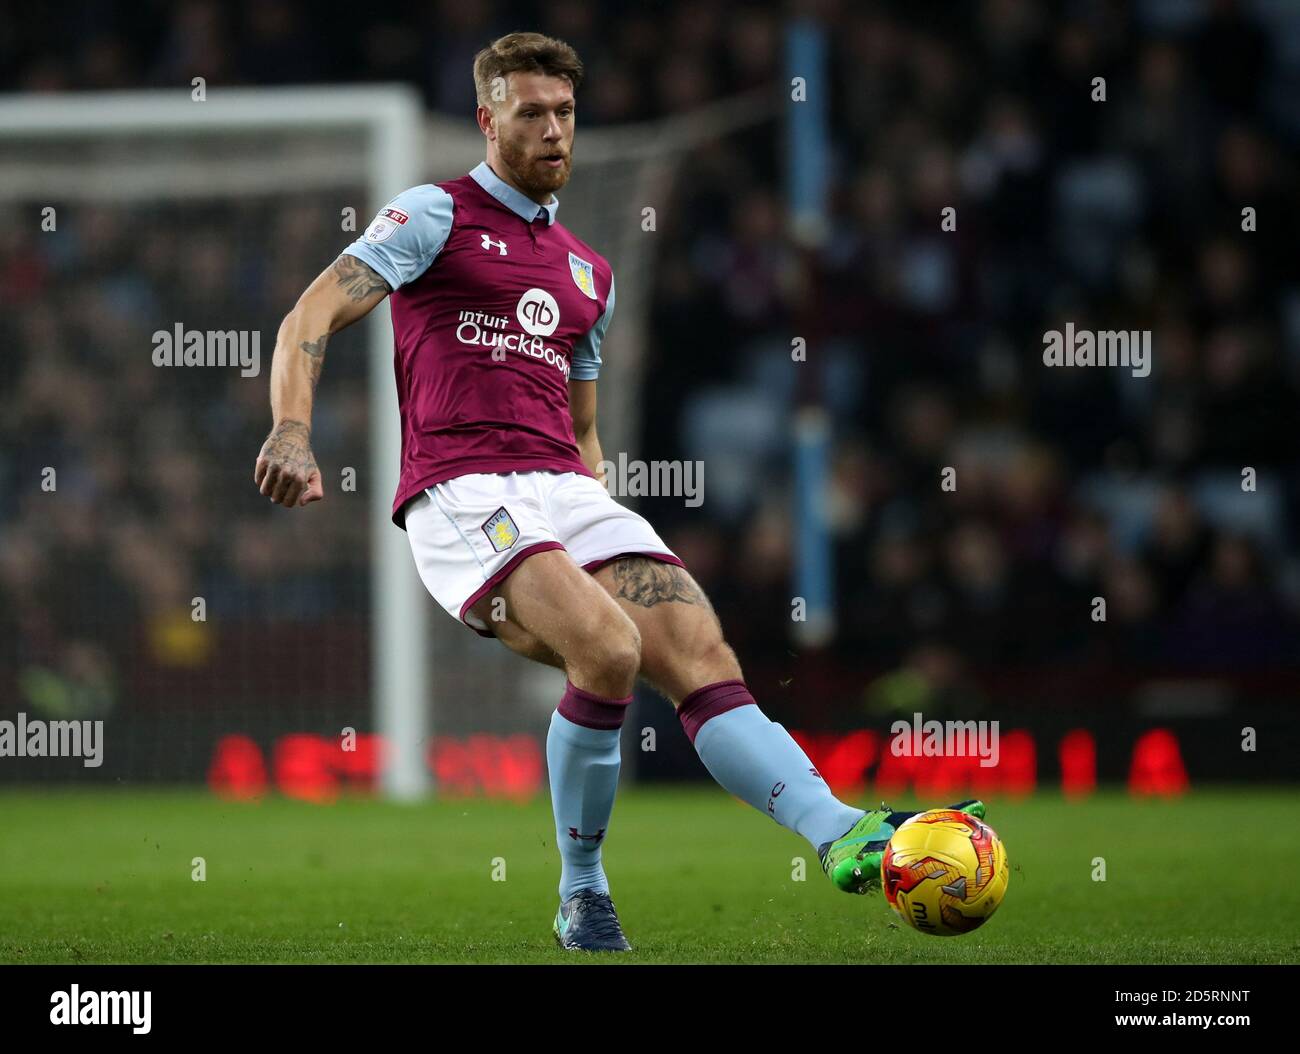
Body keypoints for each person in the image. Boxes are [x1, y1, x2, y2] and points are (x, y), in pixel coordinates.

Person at [254, 30, 987, 951]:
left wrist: (598, 518)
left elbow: (584, 424)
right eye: (532, 113)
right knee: (606, 647)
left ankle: (838, 834)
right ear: (488, 120)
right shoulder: (432, 215)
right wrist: (292, 426)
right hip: (461, 487)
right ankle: (583, 890)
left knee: (702, 654)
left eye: (565, 112)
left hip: (563, 483)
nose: (555, 131)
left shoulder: (588, 271)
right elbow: (312, 310)